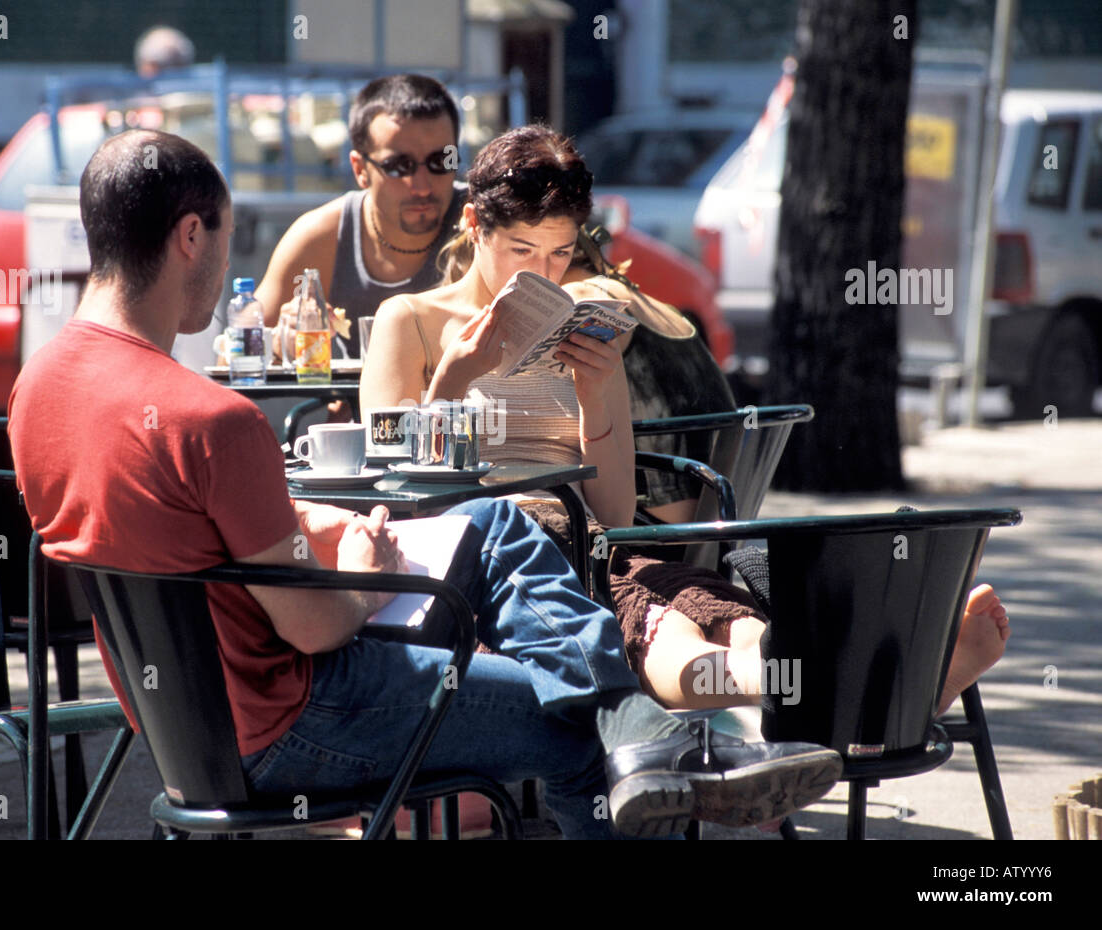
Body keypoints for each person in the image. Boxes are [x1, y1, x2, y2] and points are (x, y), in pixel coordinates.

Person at [8, 128, 844, 839]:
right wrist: (362, 584)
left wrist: (322, 534)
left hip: (184, 729)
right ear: (191, 235)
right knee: (579, 726)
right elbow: (316, 630)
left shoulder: (37, 392)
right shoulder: (213, 418)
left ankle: (647, 732)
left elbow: (184, 525)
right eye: (226, 238)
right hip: (293, 723)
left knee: (494, 525)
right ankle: (646, 733)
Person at [359, 124, 1011, 720]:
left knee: (713, 608)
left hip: (587, 544)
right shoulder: (411, 322)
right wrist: (457, 376)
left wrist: (594, 392)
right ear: (474, 225)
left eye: (559, 253)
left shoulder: (585, 324)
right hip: (485, 551)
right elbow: (389, 481)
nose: (543, 273)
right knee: (659, 622)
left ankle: (852, 686)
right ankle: (886, 690)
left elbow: (612, 509)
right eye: (522, 249)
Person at [255, 74, 468, 359]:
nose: (422, 186)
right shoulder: (321, 239)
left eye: (441, 161)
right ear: (359, 169)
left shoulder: (486, 224)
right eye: (397, 166)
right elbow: (233, 354)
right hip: (357, 406)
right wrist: (279, 342)